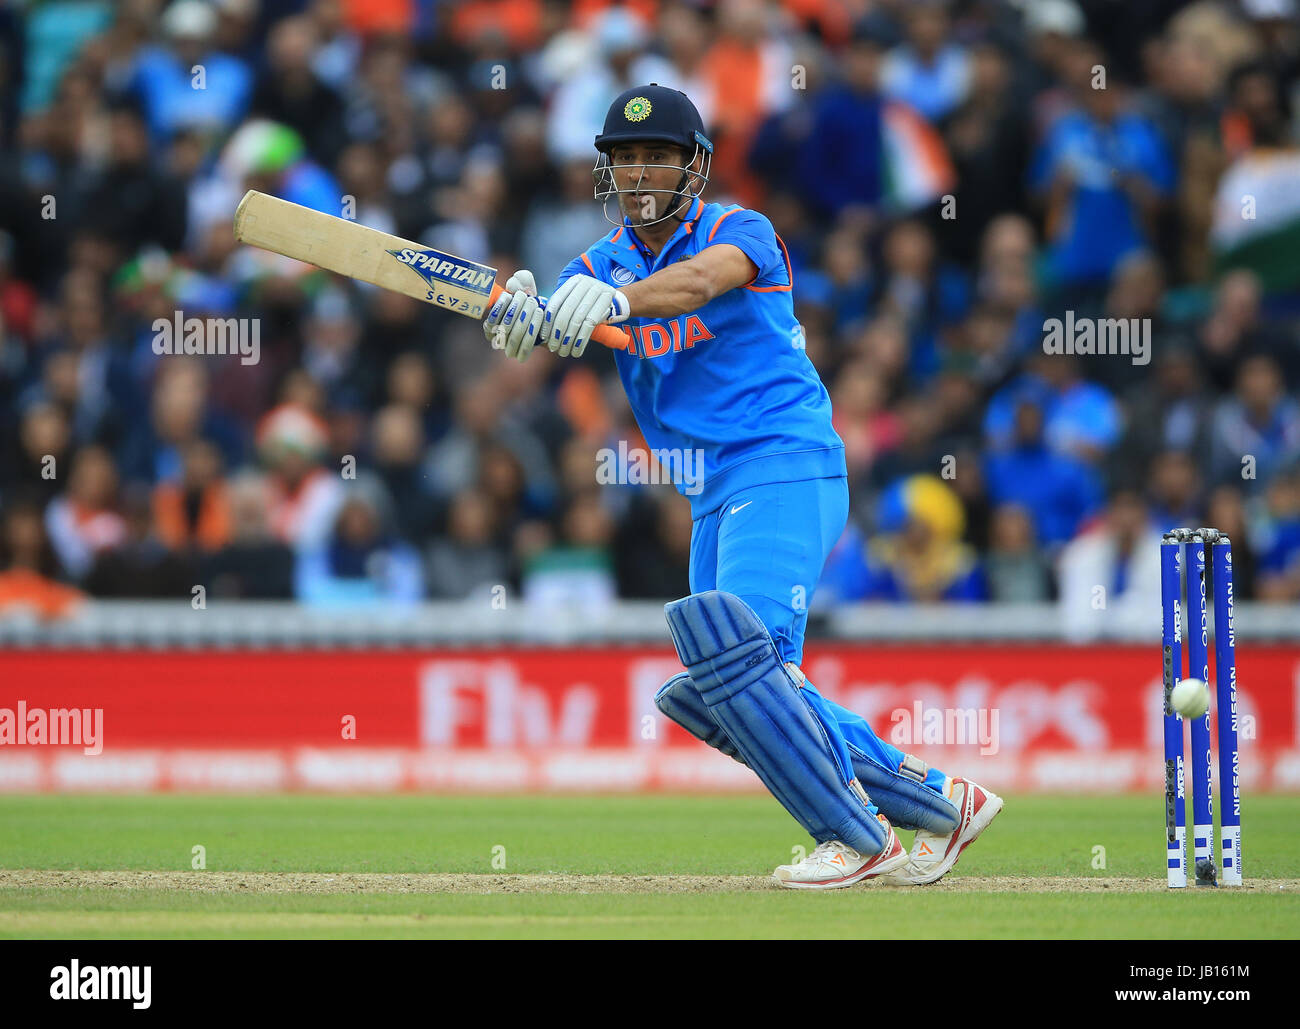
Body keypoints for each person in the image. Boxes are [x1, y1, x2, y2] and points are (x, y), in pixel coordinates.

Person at [482, 84, 1001, 889]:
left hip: (784, 461)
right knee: (711, 689)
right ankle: (938, 802)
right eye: (626, 158)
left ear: (695, 165)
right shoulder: (598, 264)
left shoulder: (738, 230)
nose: (641, 172)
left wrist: (612, 299)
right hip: (709, 490)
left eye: (659, 156)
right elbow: (561, 322)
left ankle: (859, 837)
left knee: (739, 654)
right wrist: (527, 320)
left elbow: (692, 286)